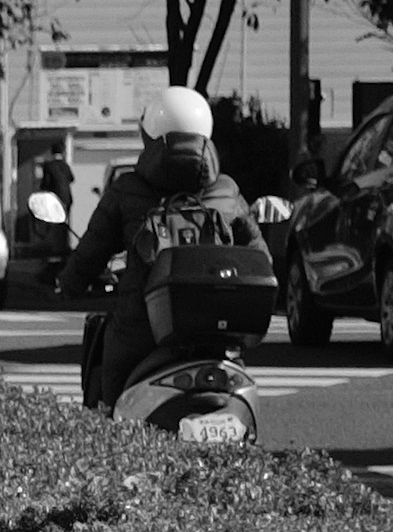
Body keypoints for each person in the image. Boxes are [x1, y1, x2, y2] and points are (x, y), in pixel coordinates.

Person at [61, 79, 267, 409]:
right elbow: (259, 258)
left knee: (110, 384)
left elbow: (91, 250)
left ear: (149, 136)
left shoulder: (127, 189)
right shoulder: (227, 192)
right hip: (216, 329)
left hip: (141, 326)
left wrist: (69, 284)